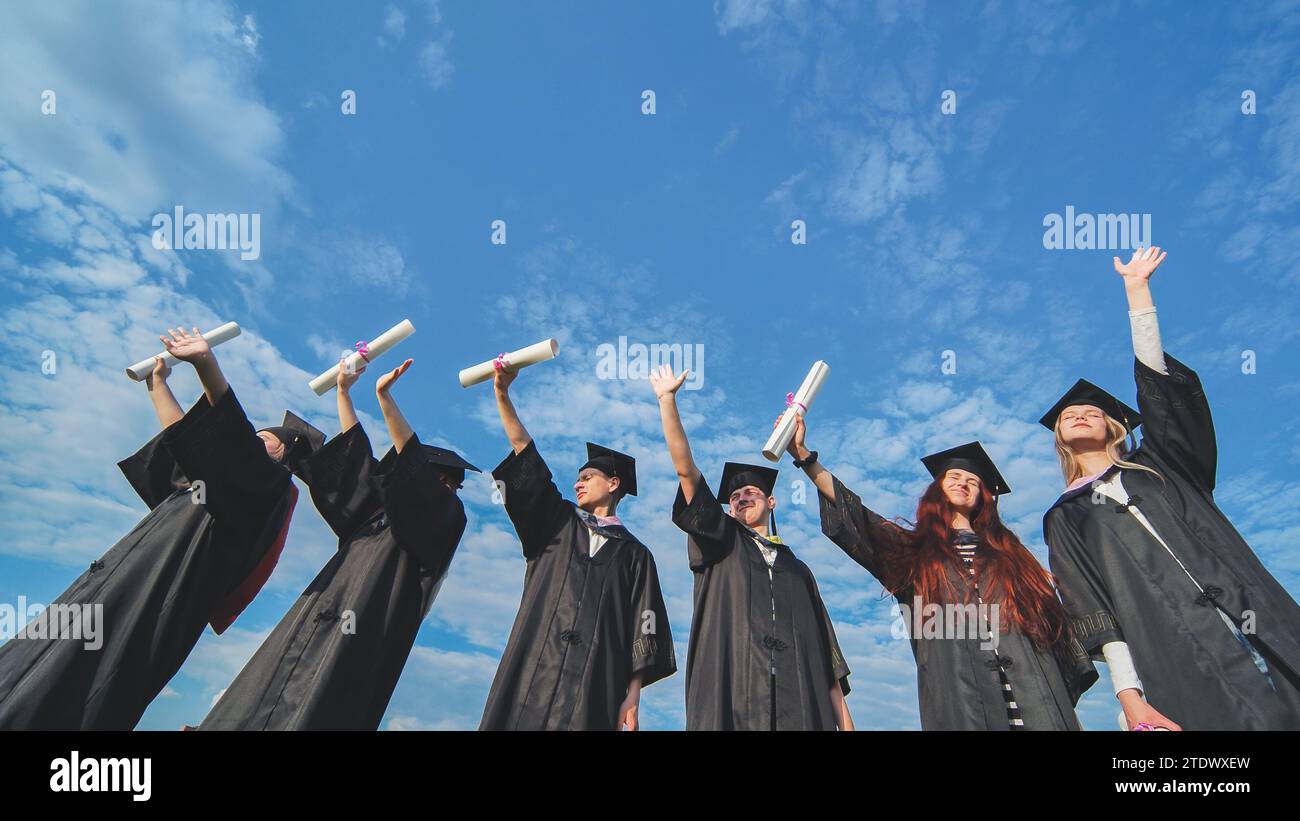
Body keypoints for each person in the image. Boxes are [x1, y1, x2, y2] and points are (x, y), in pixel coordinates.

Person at [0, 327, 312, 730]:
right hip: (116, 575)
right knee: (35, 656)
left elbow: (232, 440)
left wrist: (206, 364)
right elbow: (185, 441)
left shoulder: (267, 491)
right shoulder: (209, 480)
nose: (254, 439)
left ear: (283, 457)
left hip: (154, 595)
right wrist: (157, 386)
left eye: (265, 439)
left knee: (77, 681)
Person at [1042, 246, 1300, 730]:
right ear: (1059, 436)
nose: (1077, 414)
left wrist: (1137, 292)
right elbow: (1095, 611)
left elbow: (1164, 402)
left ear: (1116, 426)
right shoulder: (1065, 517)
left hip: (1263, 624)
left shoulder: (1162, 467)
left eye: (1091, 411)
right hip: (1180, 657)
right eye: (1068, 416)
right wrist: (1132, 700)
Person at [200, 357, 474, 730]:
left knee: (317, 708)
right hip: (317, 611)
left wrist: (385, 399)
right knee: (261, 695)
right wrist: (344, 393)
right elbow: (355, 463)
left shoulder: (446, 516)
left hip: (364, 627)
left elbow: (411, 471)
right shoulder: (375, 515)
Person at [796, 415, 1093, 730]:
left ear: (984, 496)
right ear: (937, 488)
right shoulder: (914, 555)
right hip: (958, 697)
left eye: (972, 480)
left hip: (1036, 694)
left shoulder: (1012, 556)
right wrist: (805, 457)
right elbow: (859, 517)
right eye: (953, 476)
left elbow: (1054, 626)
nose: (963, 482)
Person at [652, 364, 851, 730]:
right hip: (735, 696)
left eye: (751, 492)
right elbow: (686, 471)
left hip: (799, 702)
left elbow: (828, 658)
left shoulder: (798, 569)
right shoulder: (722, 541)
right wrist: (668, 402)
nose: (742, 498)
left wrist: (847, 726)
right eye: (735, 496)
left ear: (771, 502)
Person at [479, 363, 675, 730]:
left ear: (614, 483)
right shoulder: (555, 523)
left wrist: (632, 701)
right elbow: (525, 455)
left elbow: (643, 630)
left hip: (594, 688)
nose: (579, 484)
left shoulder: (635, 555)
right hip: (530, 674)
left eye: (588, 477)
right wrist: (503, 396)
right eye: (577, 478)